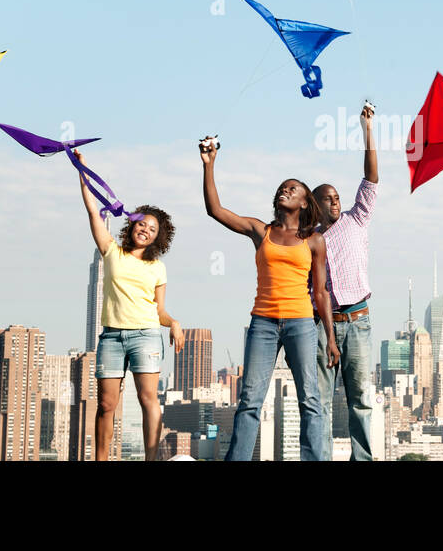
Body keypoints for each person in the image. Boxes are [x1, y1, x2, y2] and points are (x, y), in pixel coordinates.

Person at [201, 137, 339, 461]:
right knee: (250, 399)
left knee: (310, 400)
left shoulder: (315, 240)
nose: (285, 191)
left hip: (302, 324)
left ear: (305, 202)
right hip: (262, 323)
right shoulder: (260, 230)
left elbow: (321, 292)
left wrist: (330, 338)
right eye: (282, 188)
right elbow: (215, 210)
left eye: (293, 189)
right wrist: (209, 165)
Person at [82, 150, 181, 461]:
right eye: (143, 225)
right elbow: (91, 210)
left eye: (152, 230)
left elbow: (160, 310)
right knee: (106, 405)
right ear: (133, 224)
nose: (145, 230)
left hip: (146, 336)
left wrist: (174, 323)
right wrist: (83, 172)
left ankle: (151, 459)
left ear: (156, 239)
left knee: (148, 398)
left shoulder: (158, 269)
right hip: (111, 337)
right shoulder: (111, 251)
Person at [311, 103, 378, 461]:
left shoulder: (357, 219)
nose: (336, 202)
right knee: (320, 401)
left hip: (359, 321)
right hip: (325, 326)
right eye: (328, 198)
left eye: (338, 197)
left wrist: (368, 130)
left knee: (361, 400)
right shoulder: (308, 239)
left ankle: (362, 459)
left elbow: (370, 179)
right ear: (315, 205)